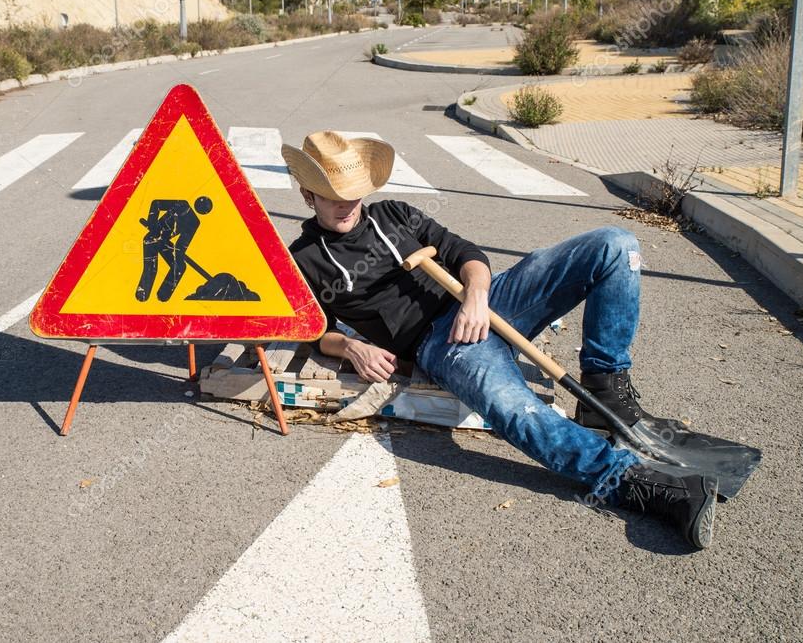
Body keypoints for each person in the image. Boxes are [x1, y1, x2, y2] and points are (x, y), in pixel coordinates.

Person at [282, 131, 719, 550]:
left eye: (353, 192)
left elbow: (466, 254)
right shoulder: (303, 258)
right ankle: (640, 484)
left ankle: (605, 391)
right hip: (443, 344)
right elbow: (313, 330)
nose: (347, 205)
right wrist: (353, 346)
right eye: (333, 196)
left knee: (615, 244)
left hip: (490, 302)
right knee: (513, 405)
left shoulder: (396, 214)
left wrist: (475, 295)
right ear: (307, 195)